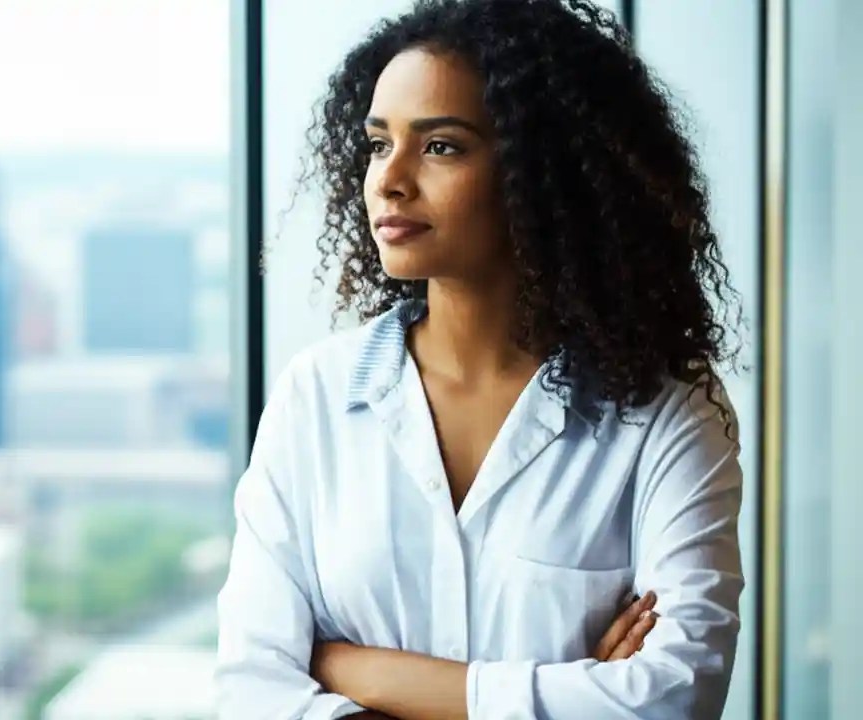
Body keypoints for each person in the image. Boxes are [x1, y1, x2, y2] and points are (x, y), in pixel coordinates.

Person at [214, 1, 744, 718]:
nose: (390, 180)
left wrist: (349, 668)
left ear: (539, 169)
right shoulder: (317, 397)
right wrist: (574, 688)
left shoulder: (664, 411)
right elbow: (251, 691)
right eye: (378, 144)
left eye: (442, 147)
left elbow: (675, 696)